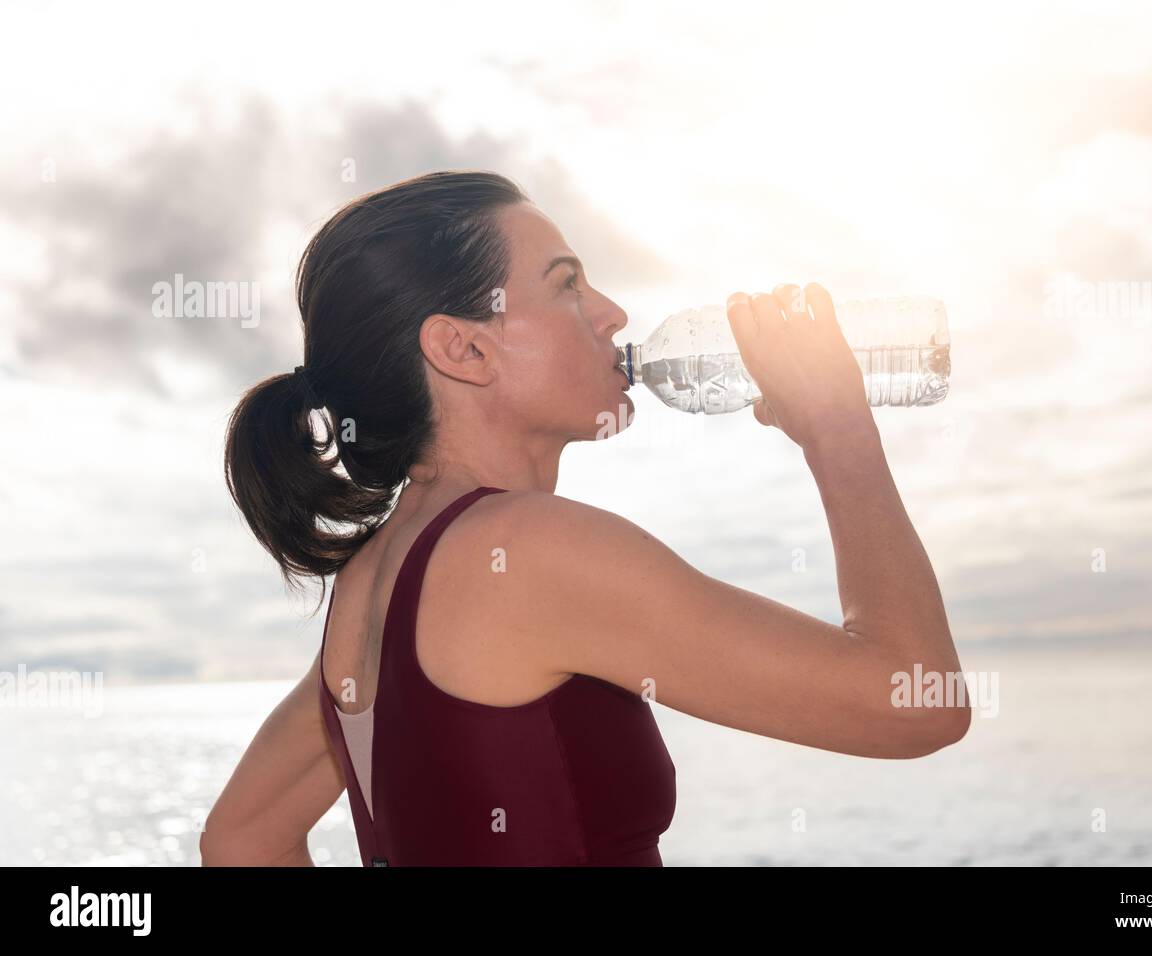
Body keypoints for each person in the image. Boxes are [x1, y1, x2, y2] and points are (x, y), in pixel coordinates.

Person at [200, 170, 968, 867]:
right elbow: (915, 702)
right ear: (463, 348)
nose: (611, 314)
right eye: (567, 286)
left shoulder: (372, 579)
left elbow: (244, 838)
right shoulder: (525, 554)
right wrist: (838, 432)